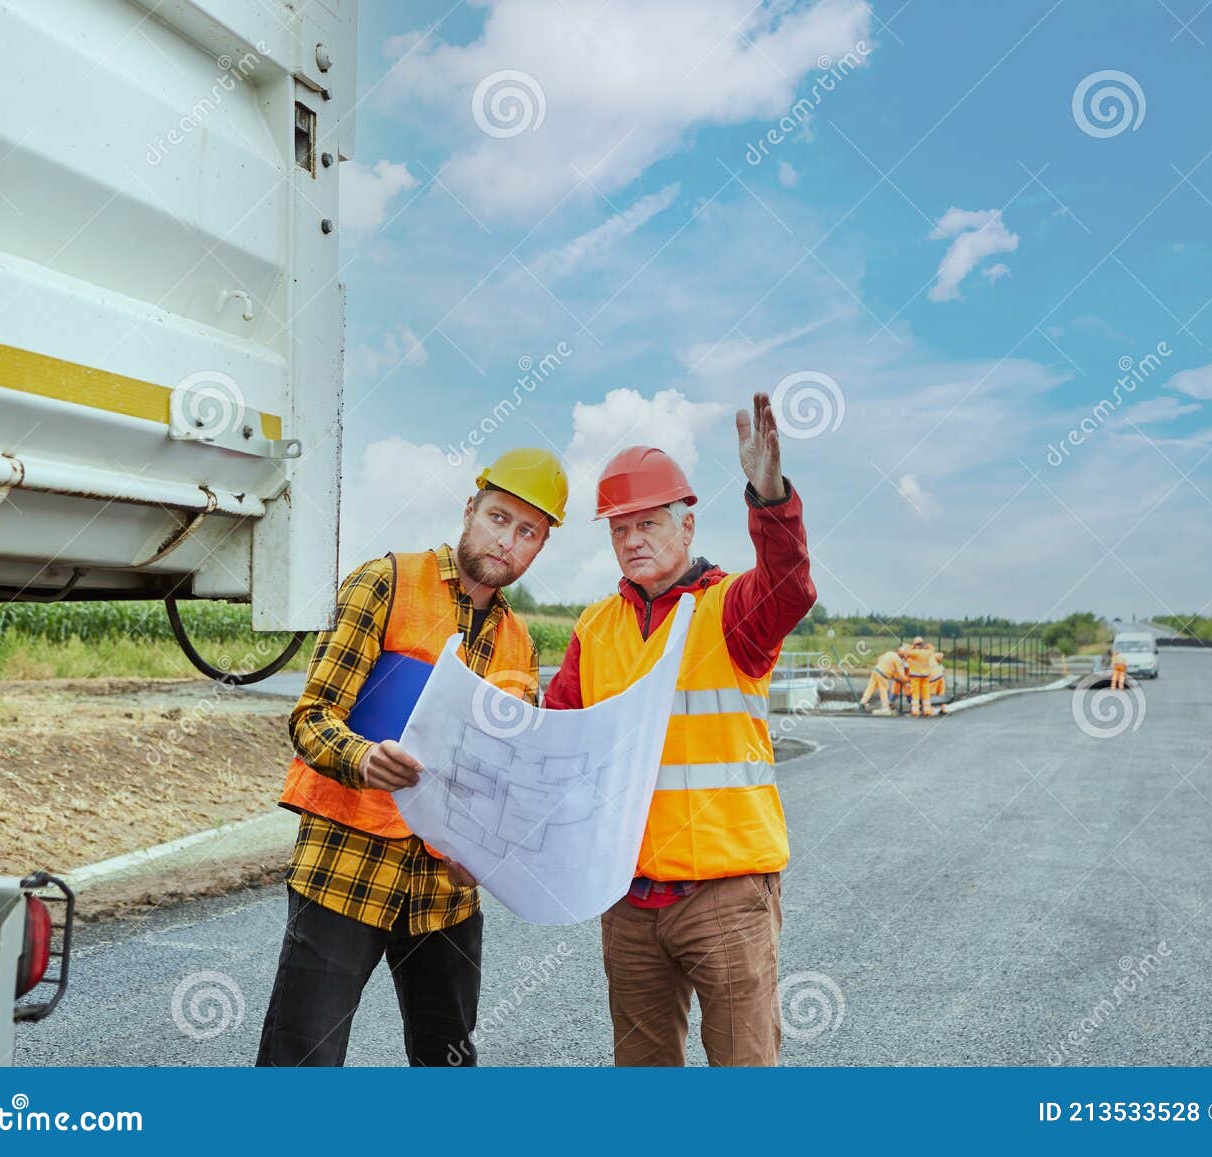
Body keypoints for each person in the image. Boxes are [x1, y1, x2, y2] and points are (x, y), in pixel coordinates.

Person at [256, 448, 569, 1068]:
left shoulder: (520, 645)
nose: (507, 541)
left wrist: (490, 856)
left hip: (446, 895)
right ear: (470, 509)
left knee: (445, 1065)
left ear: (541, 546)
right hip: (347, 870)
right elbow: (311, 717)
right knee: (301, 1061)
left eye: (527, 532)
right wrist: (364, 759)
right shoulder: (388, 583)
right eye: (499, 518)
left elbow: (503, 781)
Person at [544, 392, 816, 1066]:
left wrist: (771, 499)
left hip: (724, 895)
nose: (632, 540)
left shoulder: (729, 609)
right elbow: (554, 744)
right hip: (628, 901)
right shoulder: (594, 629)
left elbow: (789, 586)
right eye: (619, 529)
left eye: (648, 523)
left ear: (687, 526)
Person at [860, 648, 908, 714]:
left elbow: (879, 658)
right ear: (902, 656)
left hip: (876, 671)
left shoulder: (890, 653)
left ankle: (863, 702)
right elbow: (901, 675)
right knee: (883, 690)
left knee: (870, 688)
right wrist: (907, 680)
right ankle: (885, 708)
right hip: (883, 675)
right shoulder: (898, 660)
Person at [904, 635, 935, 717]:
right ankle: (927, 710)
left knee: (915, 694)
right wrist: (928, 646)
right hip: (925, 676)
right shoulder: (927, 652)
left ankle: (915, 711)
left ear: (915, 644)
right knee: (926, 694)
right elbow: (932, 648)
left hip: (915, 676)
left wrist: (910, 646)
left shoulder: (915, 653)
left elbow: (906, 652)